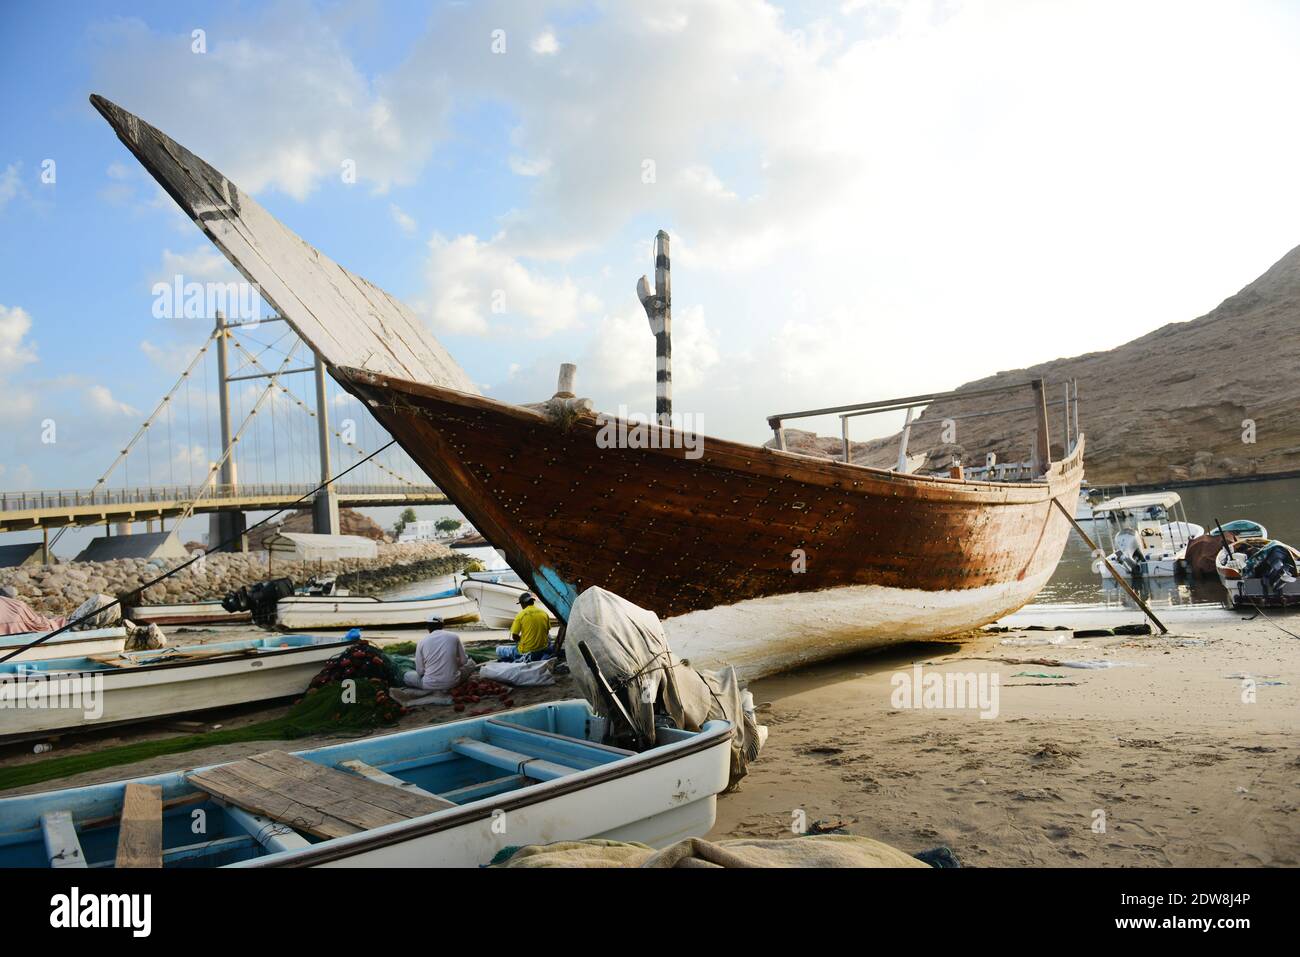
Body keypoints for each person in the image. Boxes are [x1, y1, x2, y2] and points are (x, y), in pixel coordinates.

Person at [404, 616, 475, 691]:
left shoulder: (421, 642)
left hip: (429, 685)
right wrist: (453, 665)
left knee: (407, 676)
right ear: (443, 625)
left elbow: (420, 671)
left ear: (427, 627)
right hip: (453, 682)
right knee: (471, 663)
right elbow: (464, 661)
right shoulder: (454, 636)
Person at [498, 592, 552, 662]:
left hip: (526, 651)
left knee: (499, 649)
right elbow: (546, 632)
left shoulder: (521, 615)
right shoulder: (544, 613)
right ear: (532, 602)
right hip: (542, 649)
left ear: (523, 603)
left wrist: (524, 640)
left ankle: (520, 656)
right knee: (549, 637)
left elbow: (514, 637)